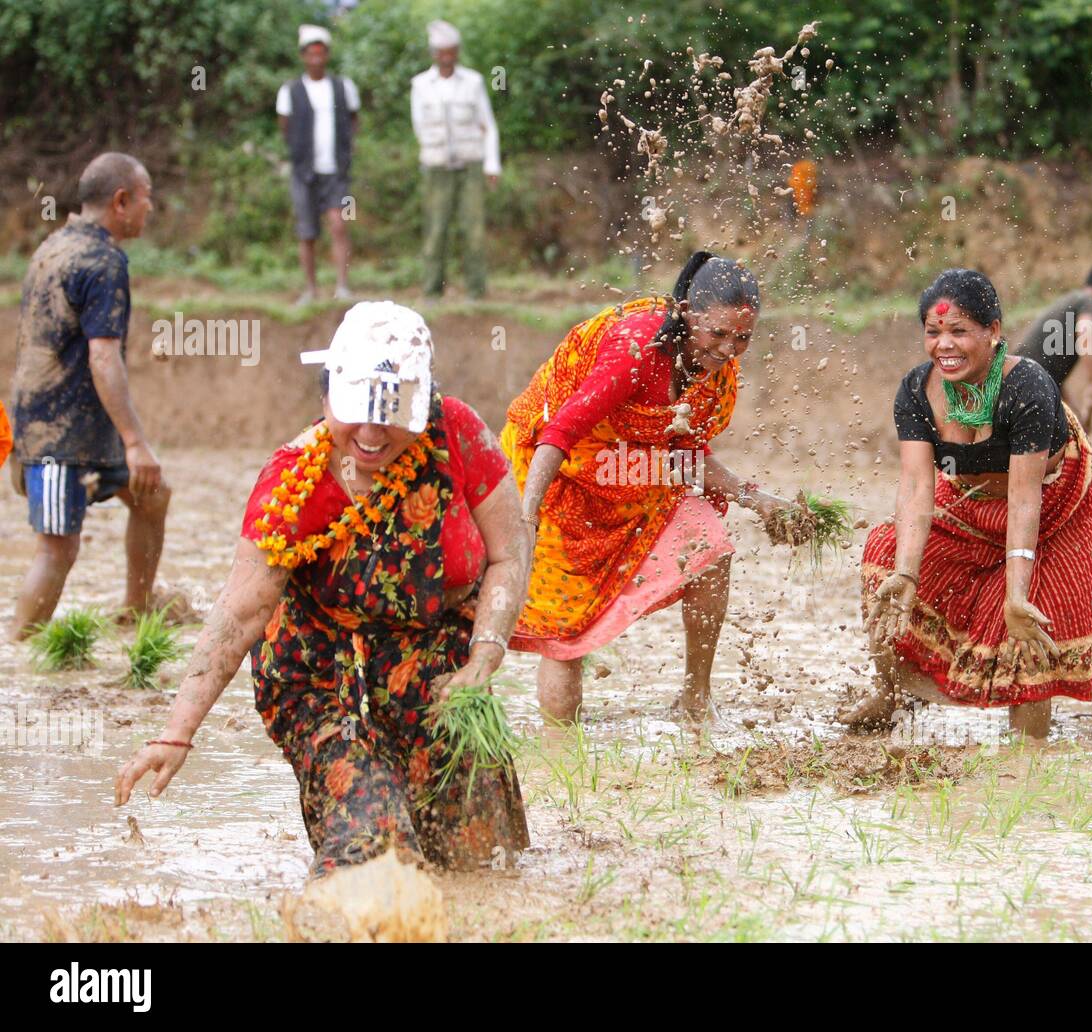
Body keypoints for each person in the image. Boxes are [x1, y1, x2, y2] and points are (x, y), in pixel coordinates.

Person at [116, 302, 532, 874]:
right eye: (356, 410)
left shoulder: (456, 434)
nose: (370, 434)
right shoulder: (294, 482)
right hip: (325, 681)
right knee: (375, 852)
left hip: (440, 676)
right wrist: (175, 734)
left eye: (390, 413)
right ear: (328, 392)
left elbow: (510, 552)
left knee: (480, 862)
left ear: (422, 401)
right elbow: (240, 615)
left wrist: (485, 656)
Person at [501, 252, 809, 724]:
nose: (728, 349)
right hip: (560, 479)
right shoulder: (635, 352)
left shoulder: (712, 372)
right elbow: (559, 432)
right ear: (686, 313)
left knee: (710, 551)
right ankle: (561, 749)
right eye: (718, 334)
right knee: (566, 633)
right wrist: (526, 519)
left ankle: (695, 699)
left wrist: (759, 500)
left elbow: (683, 457)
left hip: (634, 476)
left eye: (742, 338)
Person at [843, 269, 1092, 740]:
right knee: (885, 552)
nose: (945, 344)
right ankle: (891, 692)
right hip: (968, 498)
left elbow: (1025, 498)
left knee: (1030, 614)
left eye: (959, 331)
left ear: (993, 331)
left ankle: (1029, 750)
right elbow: (917, 486)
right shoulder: (917, 392)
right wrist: (907, 573)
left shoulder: (1028, 388)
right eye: (933, 331)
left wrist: (1016, 595)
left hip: (1048, 505)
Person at [9, 153, 174, 641]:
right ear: (121, 201)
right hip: (58, 430)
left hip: (73, 422)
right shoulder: (103, 262)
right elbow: (104, 358)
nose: (150, 208)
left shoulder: (53, 245)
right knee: (57, 548)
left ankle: (136, 613)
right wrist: (135, 442)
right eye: (145, 198)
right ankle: (19, 647)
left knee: (152, 496)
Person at [411, 19, 500, 303]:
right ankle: (432, 291)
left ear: (457, 51)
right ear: (434, 54)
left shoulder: (473, 82)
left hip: (470, 165)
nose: (446, 57)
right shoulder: (420, 85)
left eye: (451, 51)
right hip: (437, 167)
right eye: (441, 52)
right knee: (435, 229)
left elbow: (488, 125)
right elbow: (419, 126)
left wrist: (492, 164)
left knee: (473, 229)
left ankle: (476, 291)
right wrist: (431, 155)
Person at [277, 23, 360, 306]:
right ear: (303, 56)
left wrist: (347, 149)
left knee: (339, 224)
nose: (316, 59)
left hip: (337, 170)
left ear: (327, 55)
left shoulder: (343, 87)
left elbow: (353, 120)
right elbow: (285, 127)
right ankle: (311, 290)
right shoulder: (290, 90)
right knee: (307, 231)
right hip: (304, 172)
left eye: (321, 53)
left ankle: (342, 287)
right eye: (311, 54)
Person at [1014, 262, 1092, 431]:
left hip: (1021, 384)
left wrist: (1076, 420)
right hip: (1026, 388)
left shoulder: (1072, 302)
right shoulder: (1089, 301)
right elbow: (1085, 333)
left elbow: (1052, 380)